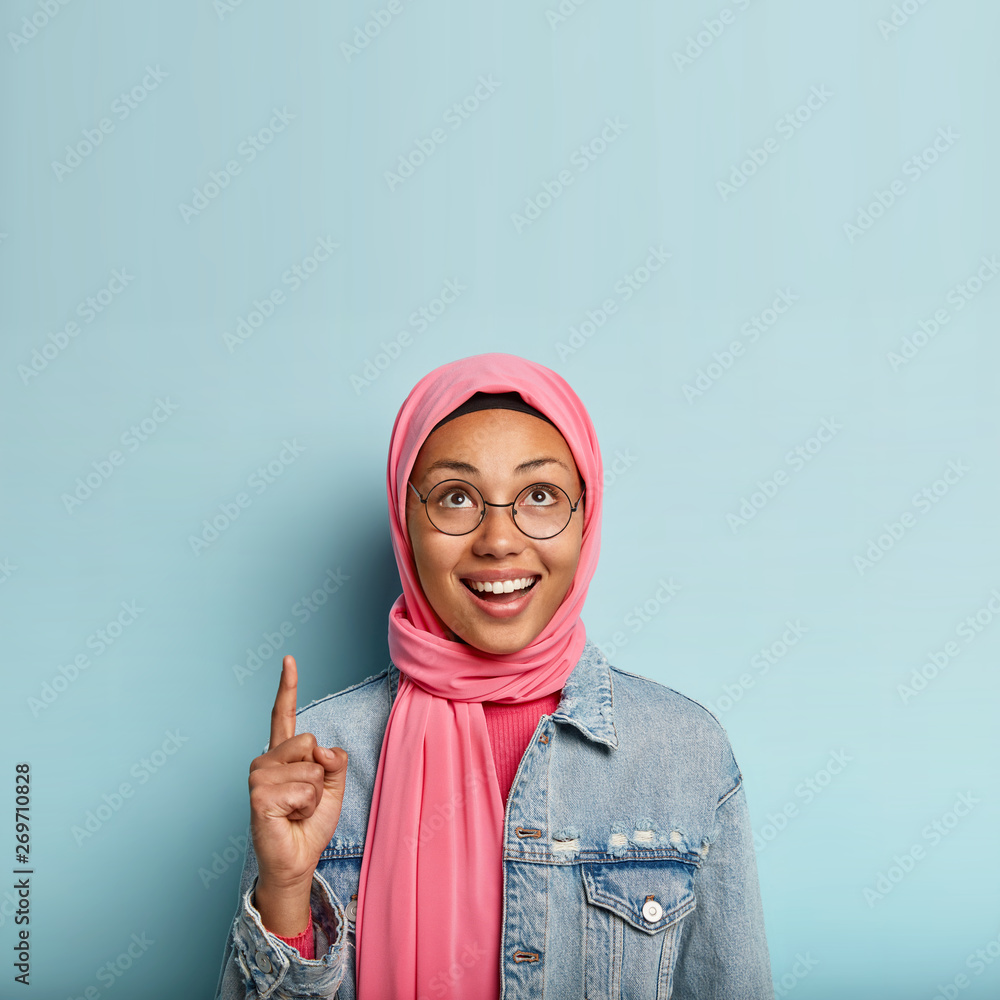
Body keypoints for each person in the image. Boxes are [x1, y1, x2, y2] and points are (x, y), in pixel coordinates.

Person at [214, 352, 773, 999]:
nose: (498, 540)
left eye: (540, 496)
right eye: (455, 498)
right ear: (407, 522)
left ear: (585, 517)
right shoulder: (315, 760)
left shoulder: (682, 752)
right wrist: (284, 892)